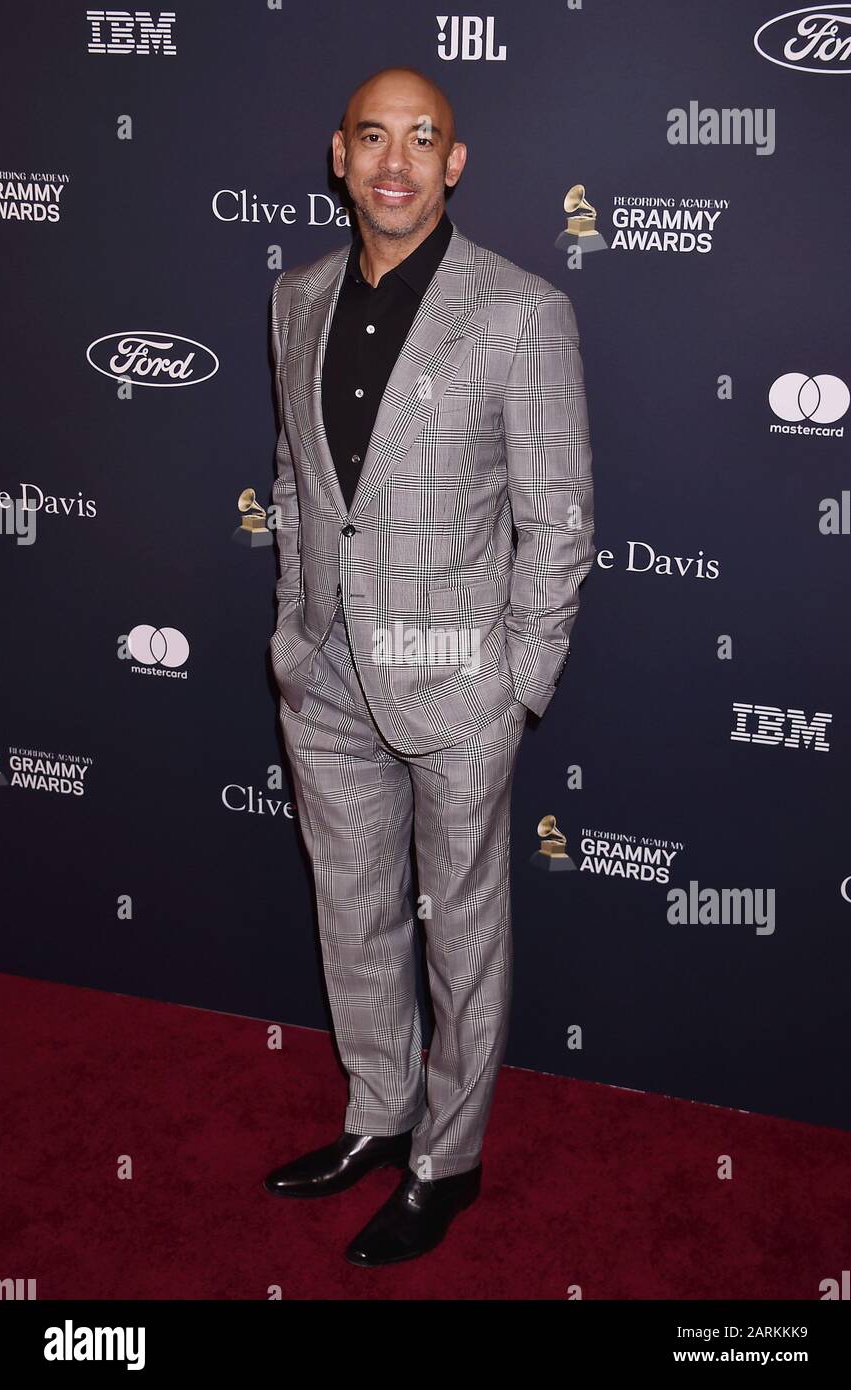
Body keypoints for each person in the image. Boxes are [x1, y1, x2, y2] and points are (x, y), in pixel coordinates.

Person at [262, 65, 595, 1268]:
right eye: (373, 138)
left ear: (454, 163)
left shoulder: (518, 310)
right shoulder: (295, 298)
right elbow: (300, 482)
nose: (395, 161)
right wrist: (297, 621)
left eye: (423, 140)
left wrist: (517, 683)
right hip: (327, 673)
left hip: (459, 681)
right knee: (352, 915)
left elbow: (558, 521)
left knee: (460, 929)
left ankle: (446, 1162)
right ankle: (375, 1114)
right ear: (339, 156)